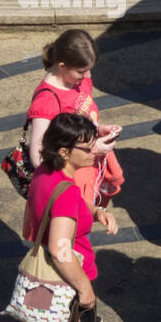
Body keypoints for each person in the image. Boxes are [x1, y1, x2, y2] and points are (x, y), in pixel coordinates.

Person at [22, 113, 118, 322]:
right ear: (64, 151)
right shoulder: (63, 191)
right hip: (68, 292)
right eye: (87, 147)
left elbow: (59, 208)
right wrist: (86, 290)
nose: (95, 151)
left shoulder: (46, 175)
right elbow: (61, 250)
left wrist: (95, 212)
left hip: (46, 289)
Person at [26, 29, 122, 212]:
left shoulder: (78, 81)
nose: (88, 77)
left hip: (86, 168)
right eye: (82, 71)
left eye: (89, 70)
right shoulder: (47, 102)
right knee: (70, 233)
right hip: (70, 180)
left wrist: (98, 129)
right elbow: (39, 157)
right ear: (62, 66)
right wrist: (93, 149)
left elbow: (80, 119)